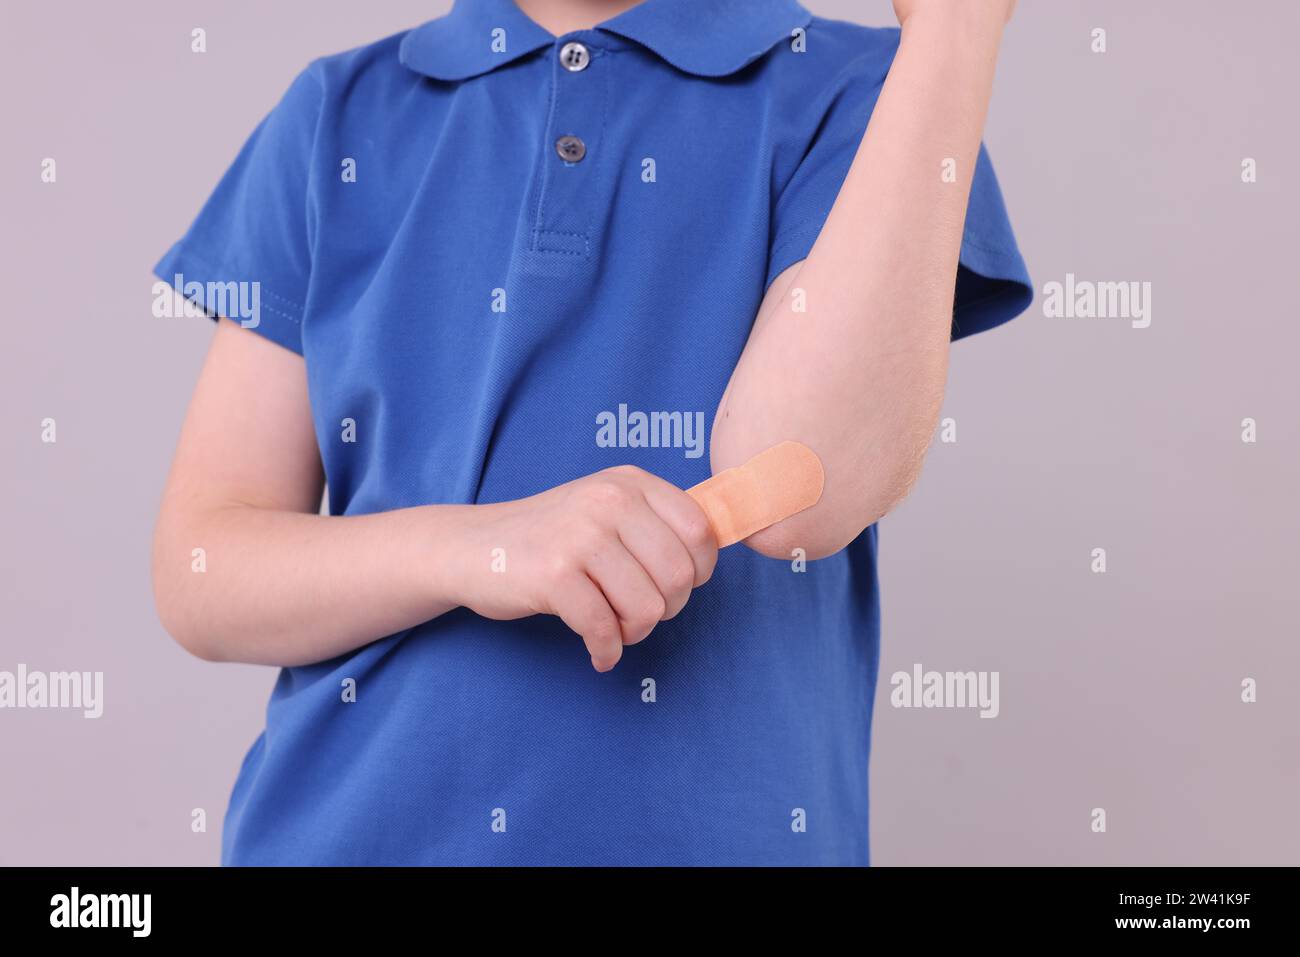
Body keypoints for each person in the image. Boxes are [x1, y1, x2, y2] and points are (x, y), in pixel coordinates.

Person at [152, 0, 1030, 865]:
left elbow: (805, 485)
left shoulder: (866, 90)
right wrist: (482, 548)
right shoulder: (334, 115)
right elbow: (201, 569)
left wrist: (957, 24)